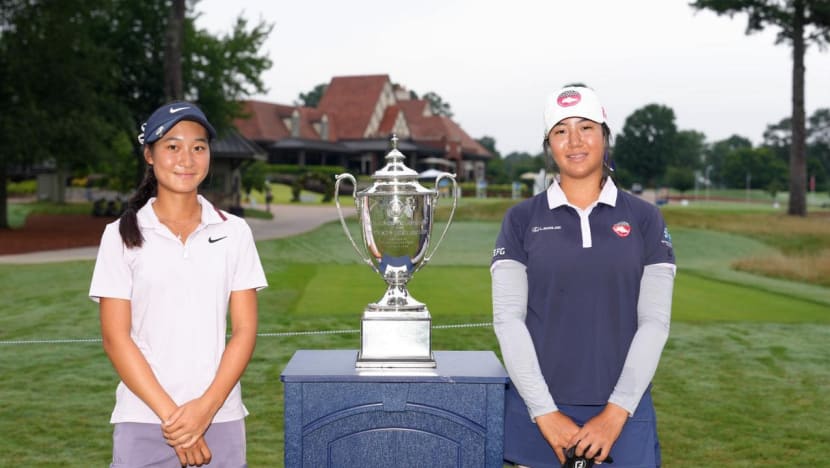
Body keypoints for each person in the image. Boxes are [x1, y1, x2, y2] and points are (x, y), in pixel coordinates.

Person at [491, 86, 675, 468]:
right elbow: (508, 320)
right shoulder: (521, 220)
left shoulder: (645, 218)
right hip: (536, 415)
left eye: (586, 127)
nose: (574, 140)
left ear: (605, 136)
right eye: (560, 131)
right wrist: (545, 412)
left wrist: (615, 413)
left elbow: (654, 323)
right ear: (549, 145)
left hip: (624, 414)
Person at [89, 101, 267, 467]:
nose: (187, 158)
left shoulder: (234, 232)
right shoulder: (119, 235)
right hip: (143, 419)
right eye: (173, 146)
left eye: (198, 147)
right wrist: (177, 421)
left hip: (221, 417)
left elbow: (245, 330)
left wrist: (205, 409)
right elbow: (115, 338)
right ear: (149, 155)